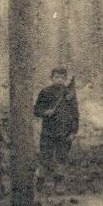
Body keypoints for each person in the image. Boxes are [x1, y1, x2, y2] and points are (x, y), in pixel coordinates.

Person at [32, 66, 79, 194]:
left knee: (61, 158)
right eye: (57, 77)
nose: (60, 80)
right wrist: (45, 112)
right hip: (48, 132)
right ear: (51, 78)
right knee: (45, 158)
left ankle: (59, 183)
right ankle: (39, 182)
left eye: (62, 77)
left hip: (65, 132)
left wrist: (74, 132)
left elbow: (75, 114)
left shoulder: (69, 94)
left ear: (65, 79)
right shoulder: (45, 92)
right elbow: (36, 110)